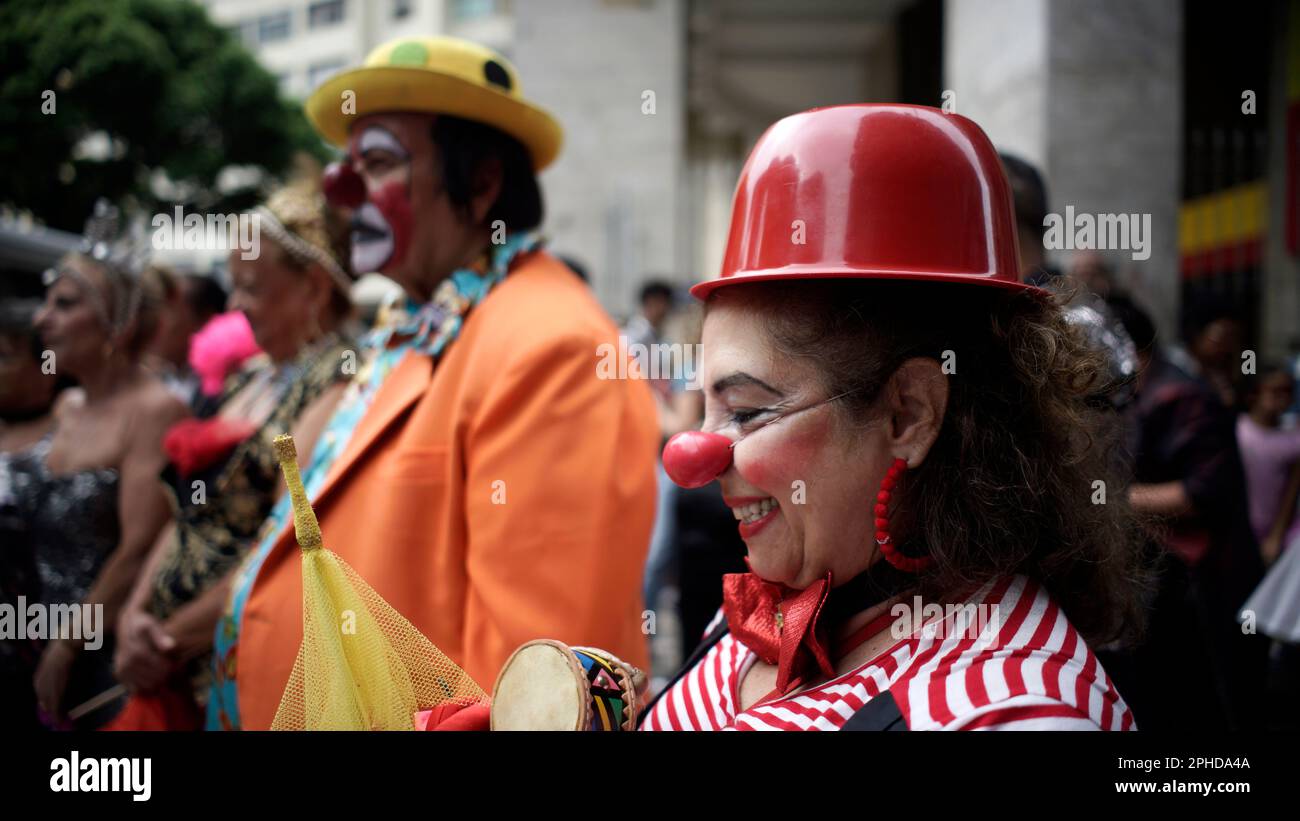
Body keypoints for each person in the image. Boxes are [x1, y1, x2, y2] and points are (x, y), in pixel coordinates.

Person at [640, 105, 1147, 731]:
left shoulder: (1012, 715)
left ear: (908, 415)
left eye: (746, 412)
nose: (693, 460)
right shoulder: (799, 594)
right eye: (709, 408)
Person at [208, 36, 660, 730]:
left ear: (481, 183)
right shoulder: (419, 324)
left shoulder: (551, 346)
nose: (344, 191)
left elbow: (534, 690)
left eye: (380, 163)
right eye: (347, 167)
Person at [109, 181, 356, 729]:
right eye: (233, 286)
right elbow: (186, 517)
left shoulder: (337, 384)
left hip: (235, 668)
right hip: (172, 658)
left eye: (251, 288)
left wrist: (167, 640)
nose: (236, 305)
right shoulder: (250, 378)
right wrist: (133, 614)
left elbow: (283, 543)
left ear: (313, 287)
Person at [21, 202, 190, 727]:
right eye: (47, 302)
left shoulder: (155, 410)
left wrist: (67, 648)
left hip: (99, 664)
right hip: (25, 640)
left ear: (117, 322)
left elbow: (139, 549)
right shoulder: (65, 406)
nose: (41, 319)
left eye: (65, 304)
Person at [1103, 295, 1266, 731]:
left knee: (1207, 699)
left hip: (1202, 582)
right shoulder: (1134, 393)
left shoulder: (1179, 397)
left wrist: (1108, 500)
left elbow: (1200, 493)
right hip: (1164, 580)